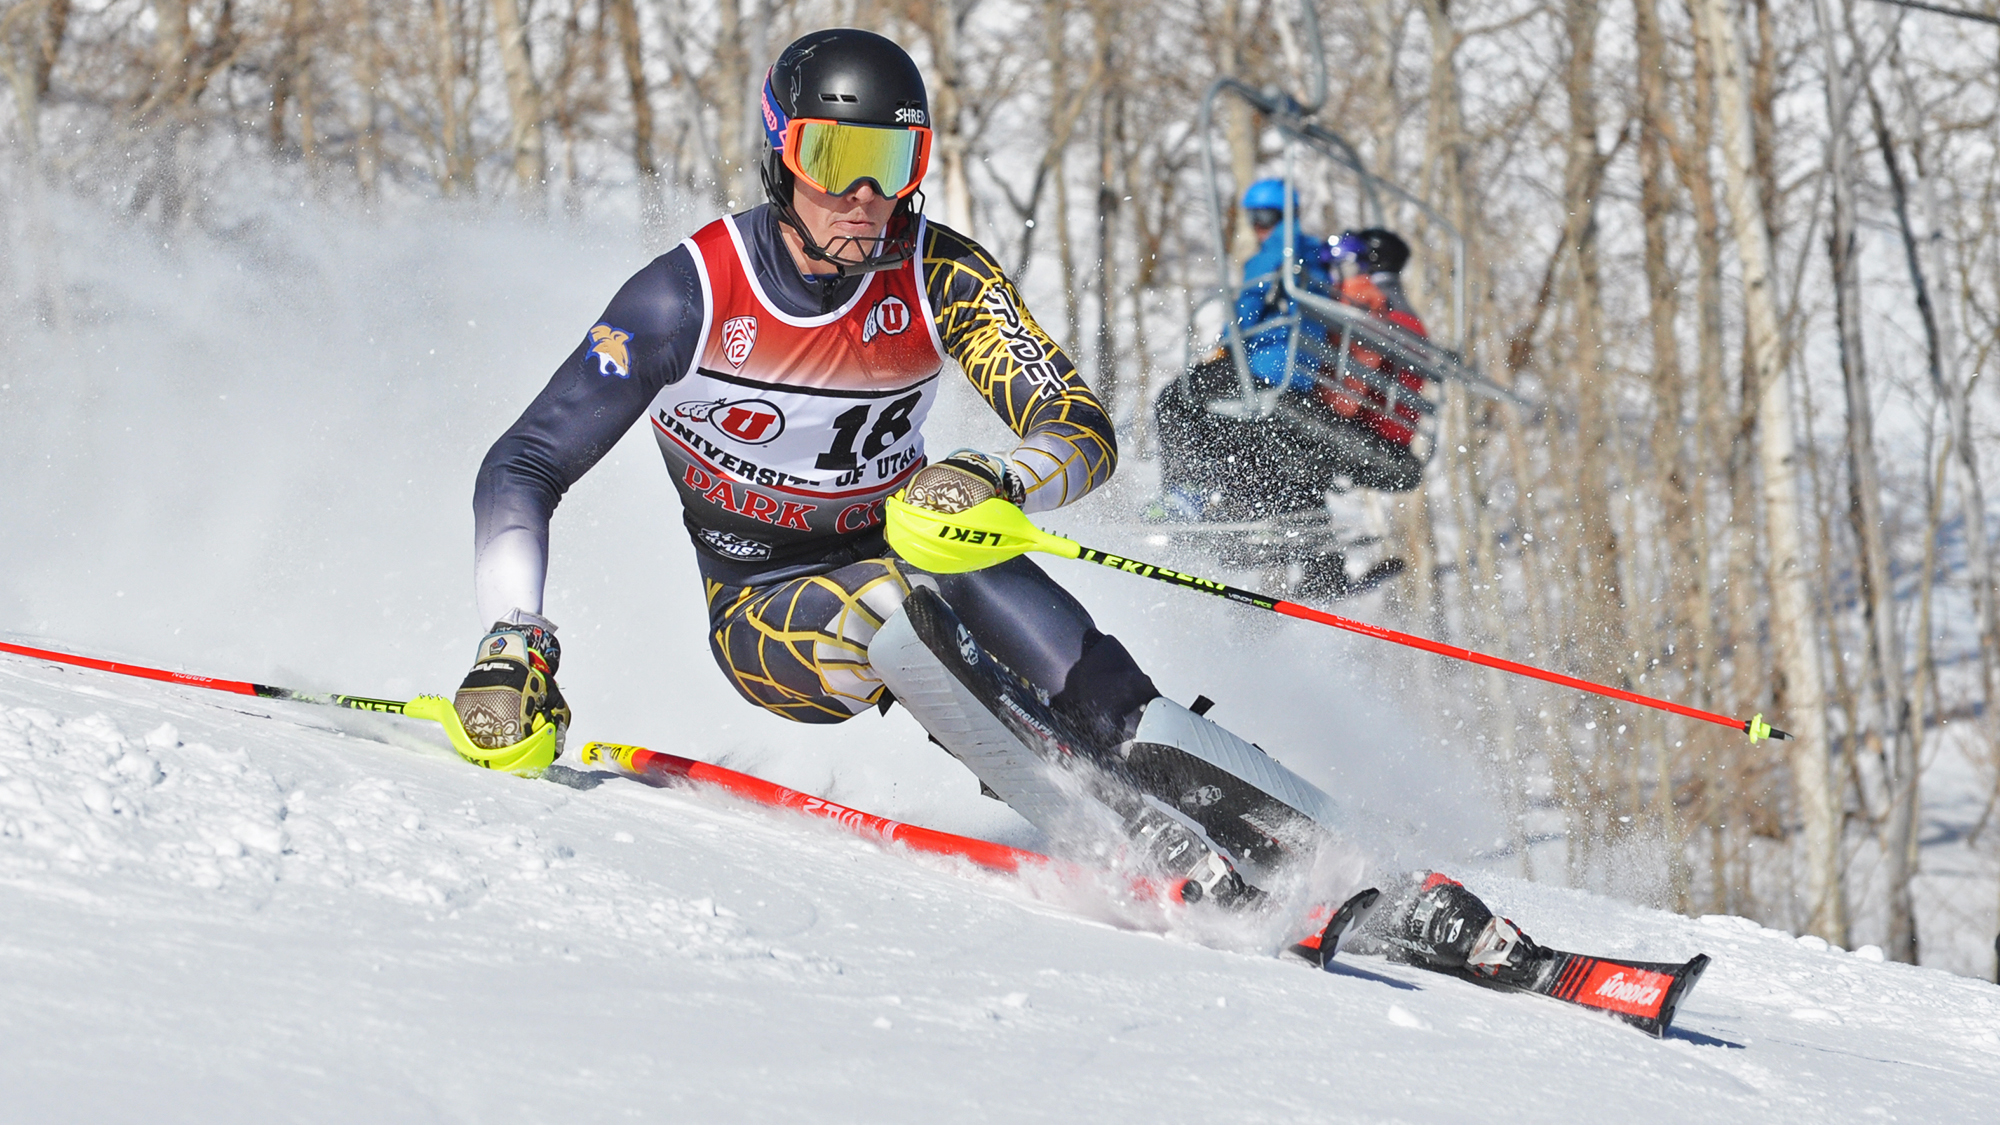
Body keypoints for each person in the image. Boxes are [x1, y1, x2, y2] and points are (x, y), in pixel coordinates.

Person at [448, 28, 1341, 902]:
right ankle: (1120, 828)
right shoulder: (690, 296)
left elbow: (1078, 428)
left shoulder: (938, 272)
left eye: (895, 159)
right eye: (835, 157)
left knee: (1092, 682)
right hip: (767, 605)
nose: (866, 195)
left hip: (916, 542)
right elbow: (524, 461)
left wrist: (999, 479)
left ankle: (1324, 847)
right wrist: (512, 637)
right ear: (782, 158)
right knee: (896, 608)